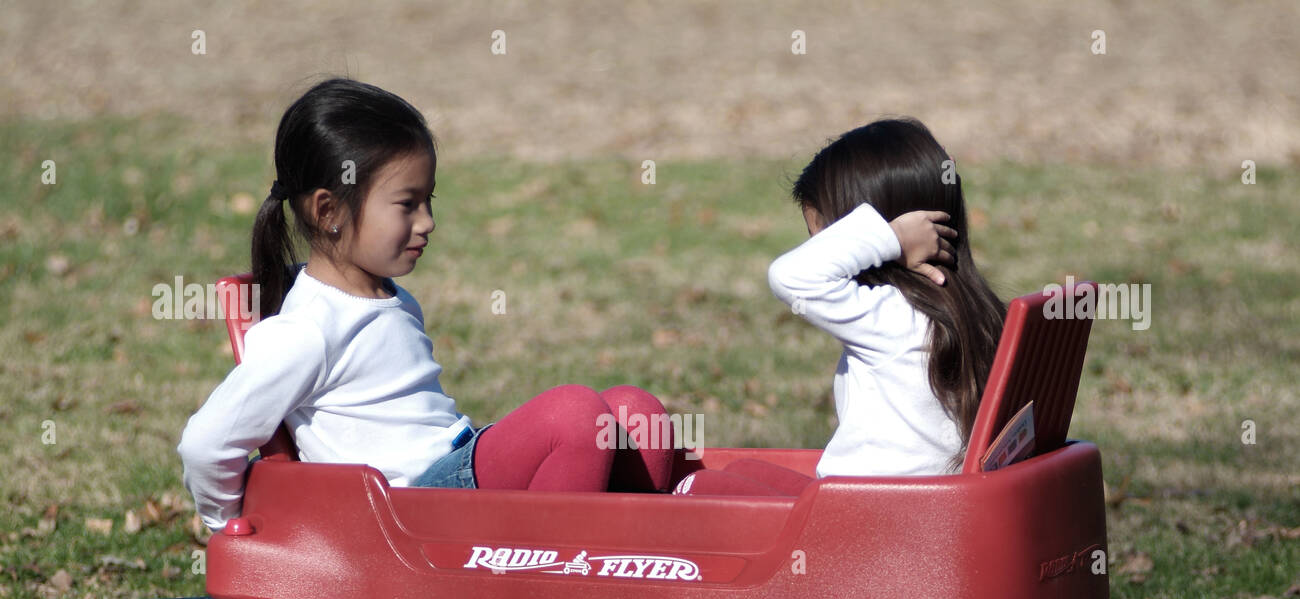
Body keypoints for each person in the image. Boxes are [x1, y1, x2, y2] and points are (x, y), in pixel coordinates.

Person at [179, 78, 673, 531]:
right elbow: (207, 443)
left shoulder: (389, 297)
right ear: (329, 211)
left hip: (451, 471)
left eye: (428, 200)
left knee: (634, 414)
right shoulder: (306, 330)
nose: (428, 221)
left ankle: (633, 563)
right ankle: (552, 585)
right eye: (408, 204)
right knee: (574, 416)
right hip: (411, 515)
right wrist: (231, 525)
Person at [675, 117, 1005, 496]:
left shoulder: (894, 317)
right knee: (742, 470)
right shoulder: (981, 315)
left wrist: (891, 237)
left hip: (864, 519)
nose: (821, 249)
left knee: (696, 486)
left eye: (828, 239)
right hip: (915, 511)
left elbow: (790, 276)